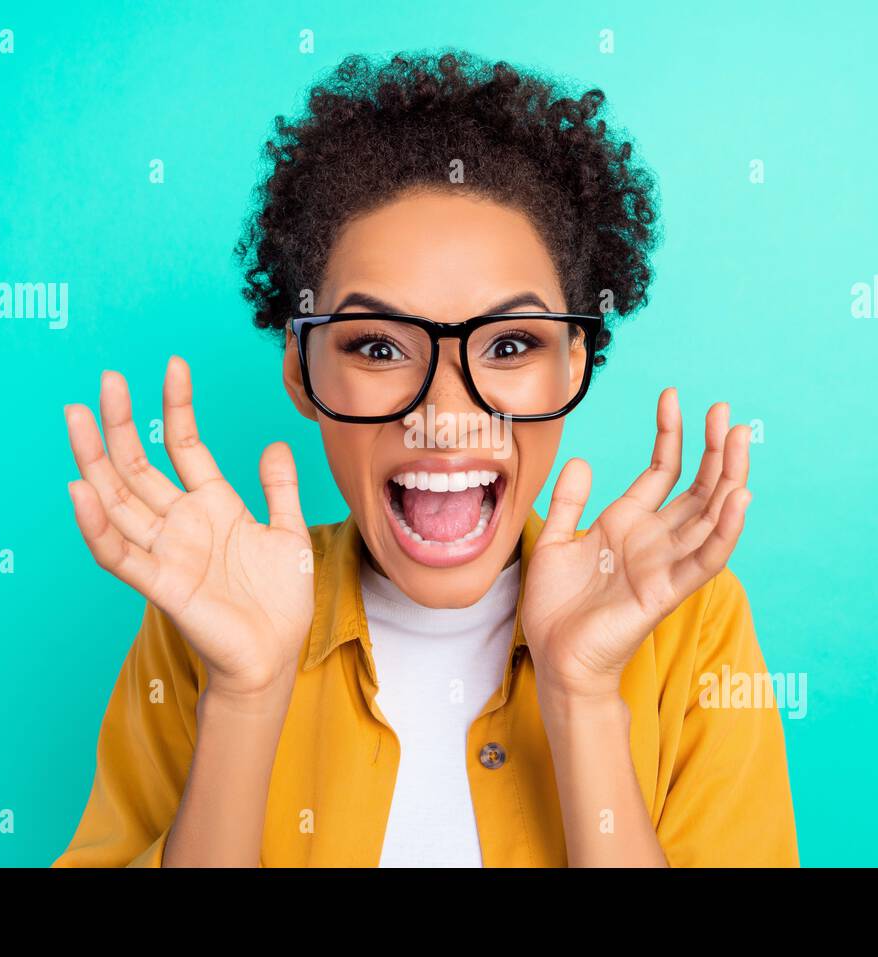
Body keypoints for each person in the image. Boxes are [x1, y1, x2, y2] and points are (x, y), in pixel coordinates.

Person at [52, 50, 798, 867]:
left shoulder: (690, 623)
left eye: (510, 343)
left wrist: (582, 698)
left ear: (575, 363)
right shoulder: (204, 615)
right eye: (379, 346)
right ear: (302, 371)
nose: (447, 415)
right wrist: (244, 696)